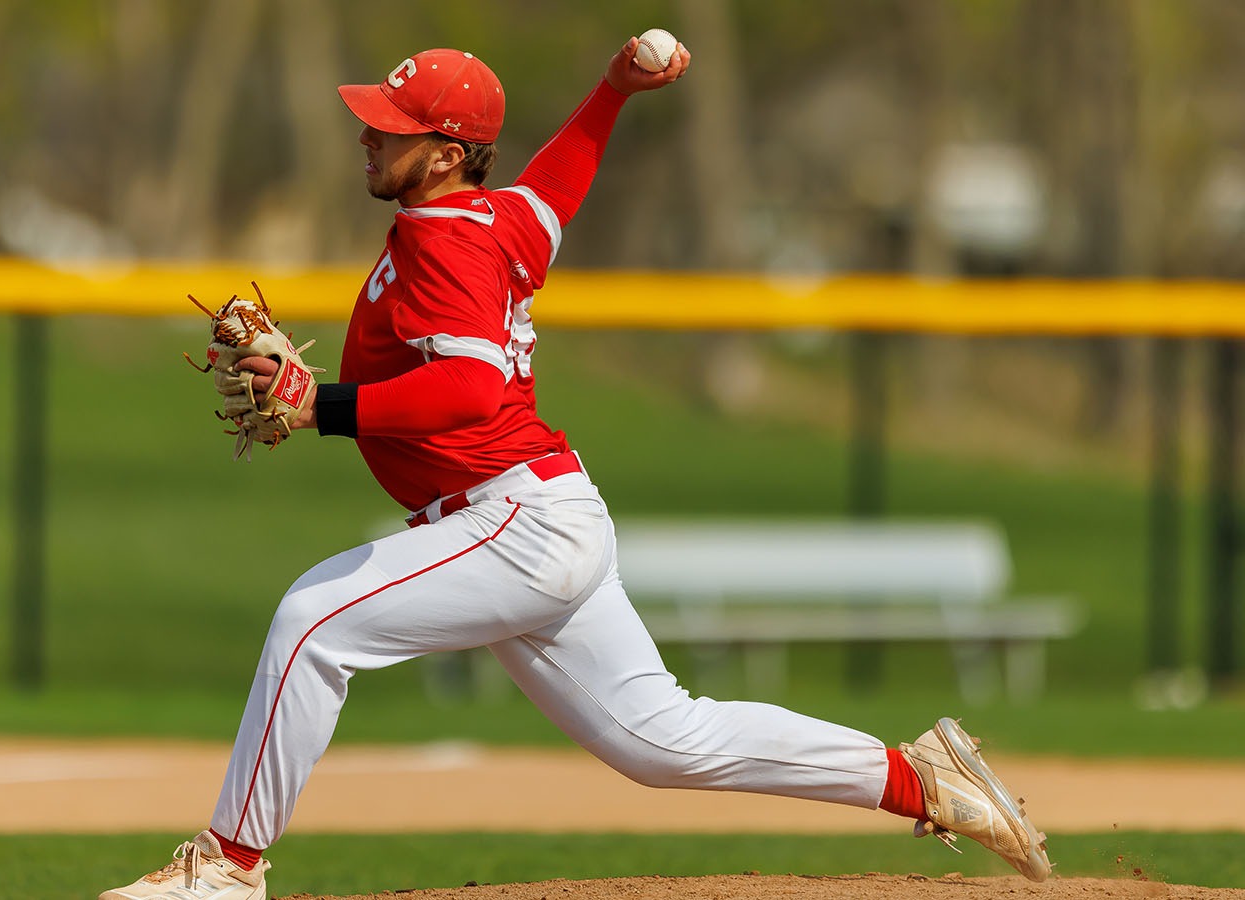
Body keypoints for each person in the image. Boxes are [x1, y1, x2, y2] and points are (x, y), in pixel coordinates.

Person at [99, 36, 1052, 900]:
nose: (366, 136)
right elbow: (558, 187)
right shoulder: (499, 217)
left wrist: (324, 407)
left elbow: (467, 395)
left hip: (507, 522)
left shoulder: (441, 242)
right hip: (541, 513)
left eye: (390, 129)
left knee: (312, 622)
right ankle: (918, 777)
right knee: (660, 740)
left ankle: (228, 867)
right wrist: (612, 91)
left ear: (442, 153)